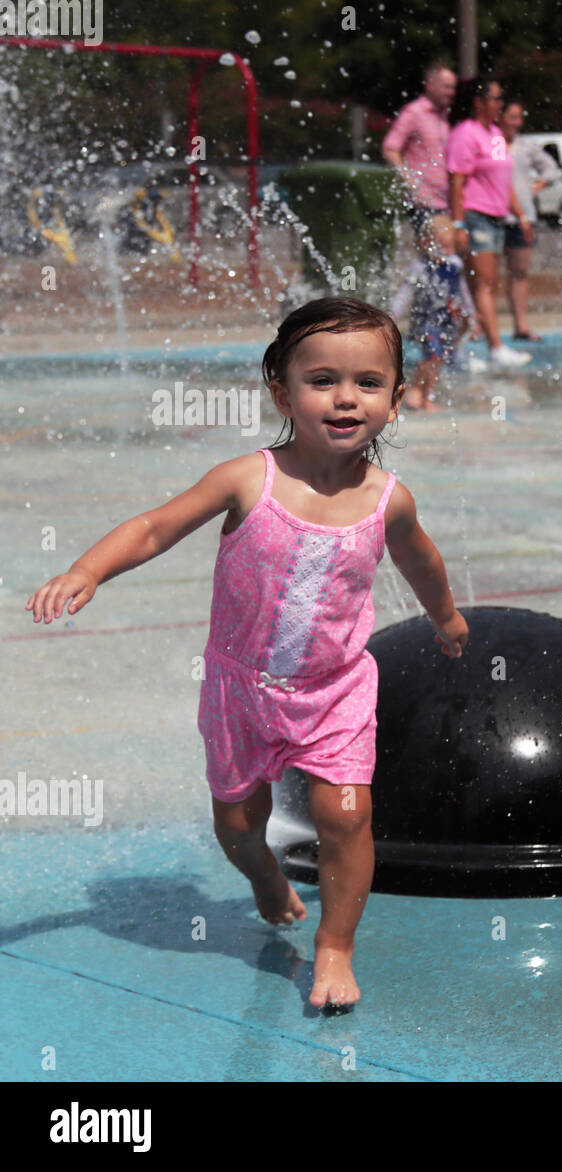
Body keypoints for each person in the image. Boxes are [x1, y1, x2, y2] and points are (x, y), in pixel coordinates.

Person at [25, 297, 470, 1008]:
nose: (346, 398)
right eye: (322, 379)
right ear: (282, 392)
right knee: (236, 823)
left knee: (348, 815)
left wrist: (444, 617)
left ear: (394, 399)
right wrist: (87, 570)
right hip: (240, 691)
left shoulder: (388, 500)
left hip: (336, 689)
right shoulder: (249, 479)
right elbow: (153, 528)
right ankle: (263, 873)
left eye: (368, 383)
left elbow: (420, 560)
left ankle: (334, 947)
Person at [445, 77, 534, 370]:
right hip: (474, 215)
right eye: (495, 98)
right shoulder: (464, 134)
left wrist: (519, 215)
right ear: (479, 102)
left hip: (497, 218)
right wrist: (458, 225)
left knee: (480, 287)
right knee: (482, 285)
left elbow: (502, 179)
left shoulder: (495, 134)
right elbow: (455, 182)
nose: (500, 104)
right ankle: (495, 347)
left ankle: (452, 350)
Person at [390, 213, 477, 408]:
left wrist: (471, 314)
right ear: (425, 243)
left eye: (450, 247)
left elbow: (463, 291)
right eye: (441, 246)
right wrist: (392, 315)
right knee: (433, 356)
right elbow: (405, 293)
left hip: (447, 320)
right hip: (426, 321)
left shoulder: (455, 265)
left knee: (437, 359)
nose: (446, 251)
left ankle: (421, 392)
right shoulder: (419, 268)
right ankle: (422, 396)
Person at [501, 100, 559, 342]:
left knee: (520, 272)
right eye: (511, 116)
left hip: (521, 217)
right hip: (492, 215)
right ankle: (480, 326)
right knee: (484, 277)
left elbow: (551, 169)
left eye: (519, 117)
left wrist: (534, 188)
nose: (517, 122)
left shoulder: (526, 147)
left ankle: (520, 324)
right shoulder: (490, 144)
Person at [382, 61, 457, 237]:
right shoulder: (414, 112)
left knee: (446, 257)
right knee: (434, 257)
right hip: (424, 202)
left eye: (453, 88)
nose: (451, 93)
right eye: (446, 87)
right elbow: (390, 148)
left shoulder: (445, 116)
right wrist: (410, 182)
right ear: (430, 85)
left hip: (446, 202)